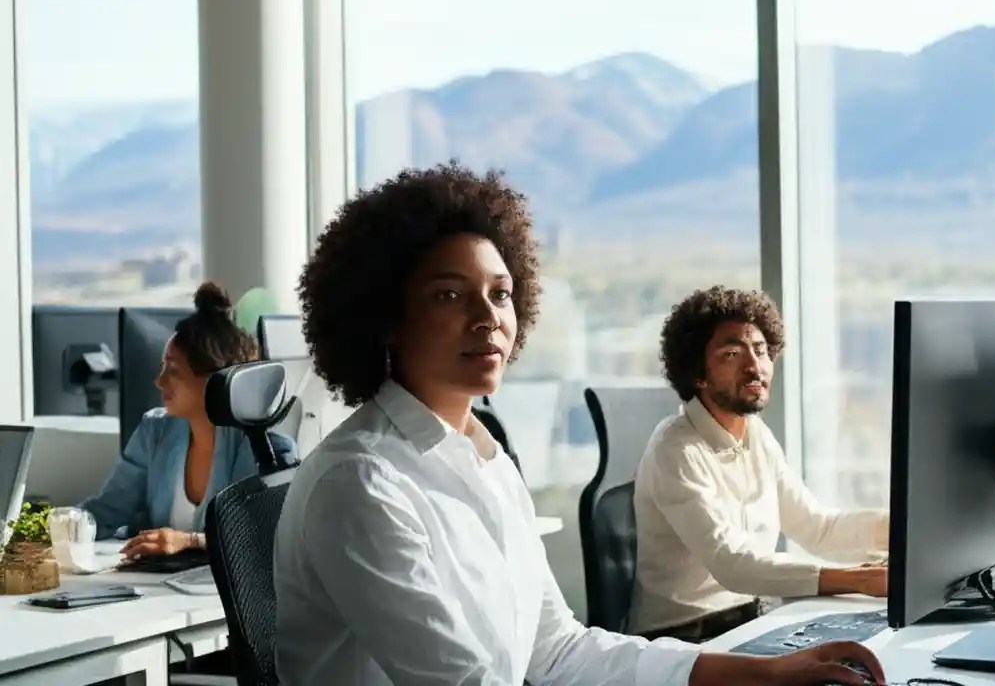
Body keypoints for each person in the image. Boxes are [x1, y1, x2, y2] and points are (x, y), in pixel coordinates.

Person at [273, 163, 885, 686]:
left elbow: (558, 649)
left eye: (501, 293)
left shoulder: (485, 462)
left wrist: (768, 673)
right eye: (449, 296)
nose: (488, 318)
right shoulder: (360, 484)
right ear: (385, 316)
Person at [629, 286, 890, 641]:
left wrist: (904, 530)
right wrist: (858, 580)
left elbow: (818, 528)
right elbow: (734, 565)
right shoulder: (675, 451)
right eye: (732, 354)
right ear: (697, 374)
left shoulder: (756, 435)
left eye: (761, 350)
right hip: (685, 638)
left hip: (752, 620)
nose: (755, 367)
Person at [81, 282, 296, 559]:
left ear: (213, 380)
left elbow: (265, 539)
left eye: (173, 371)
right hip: (161, 592)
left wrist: (192, 541)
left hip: (223, 598)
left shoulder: (267, 448)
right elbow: (106, 513)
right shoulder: (155, 430)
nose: (159, 382)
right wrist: (44, 529)